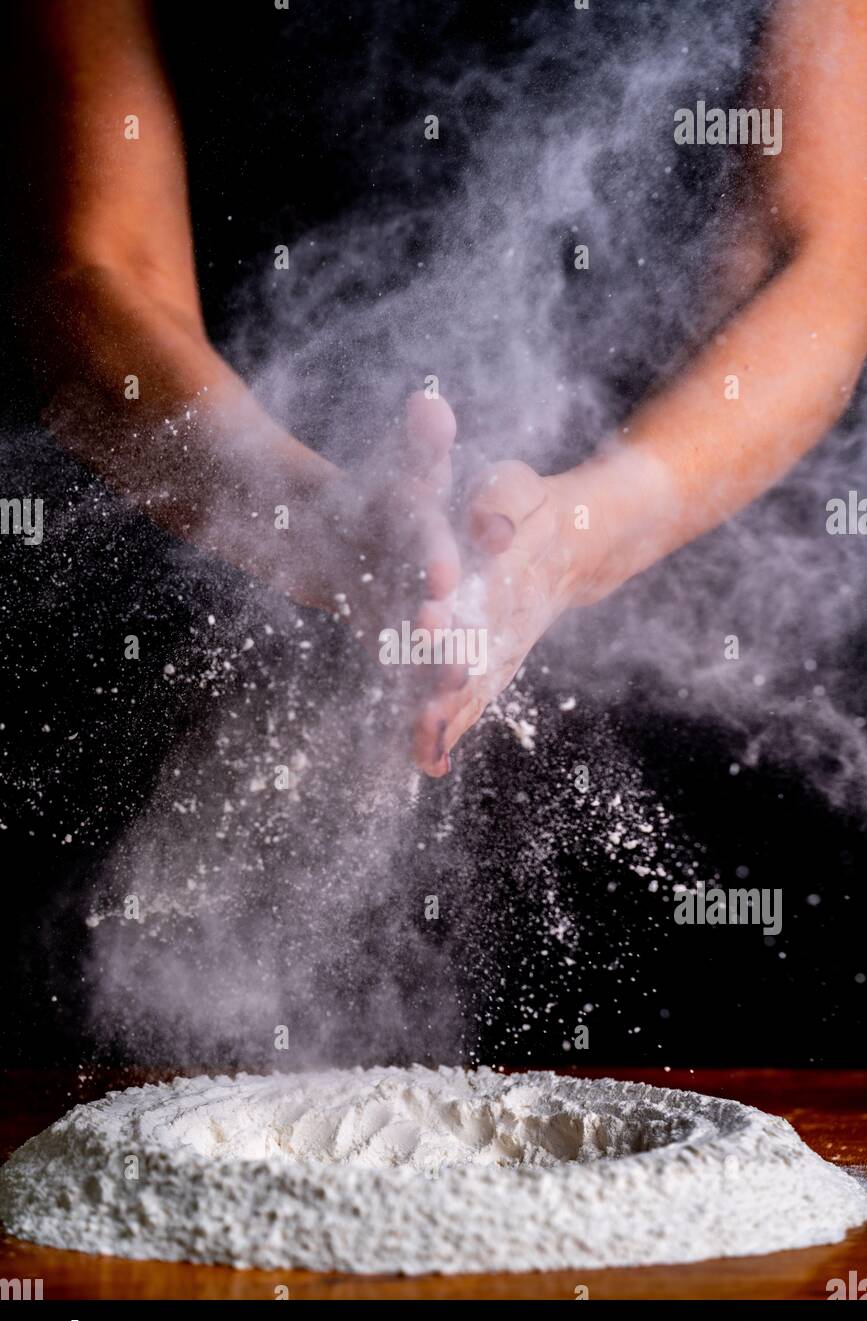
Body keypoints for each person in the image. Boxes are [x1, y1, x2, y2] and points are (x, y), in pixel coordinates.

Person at [7, 0, 867, 783]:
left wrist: (583, 534)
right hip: (186, 575)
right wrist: (316, 525)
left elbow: (821, 262)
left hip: (668, 640)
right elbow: (97, 267)